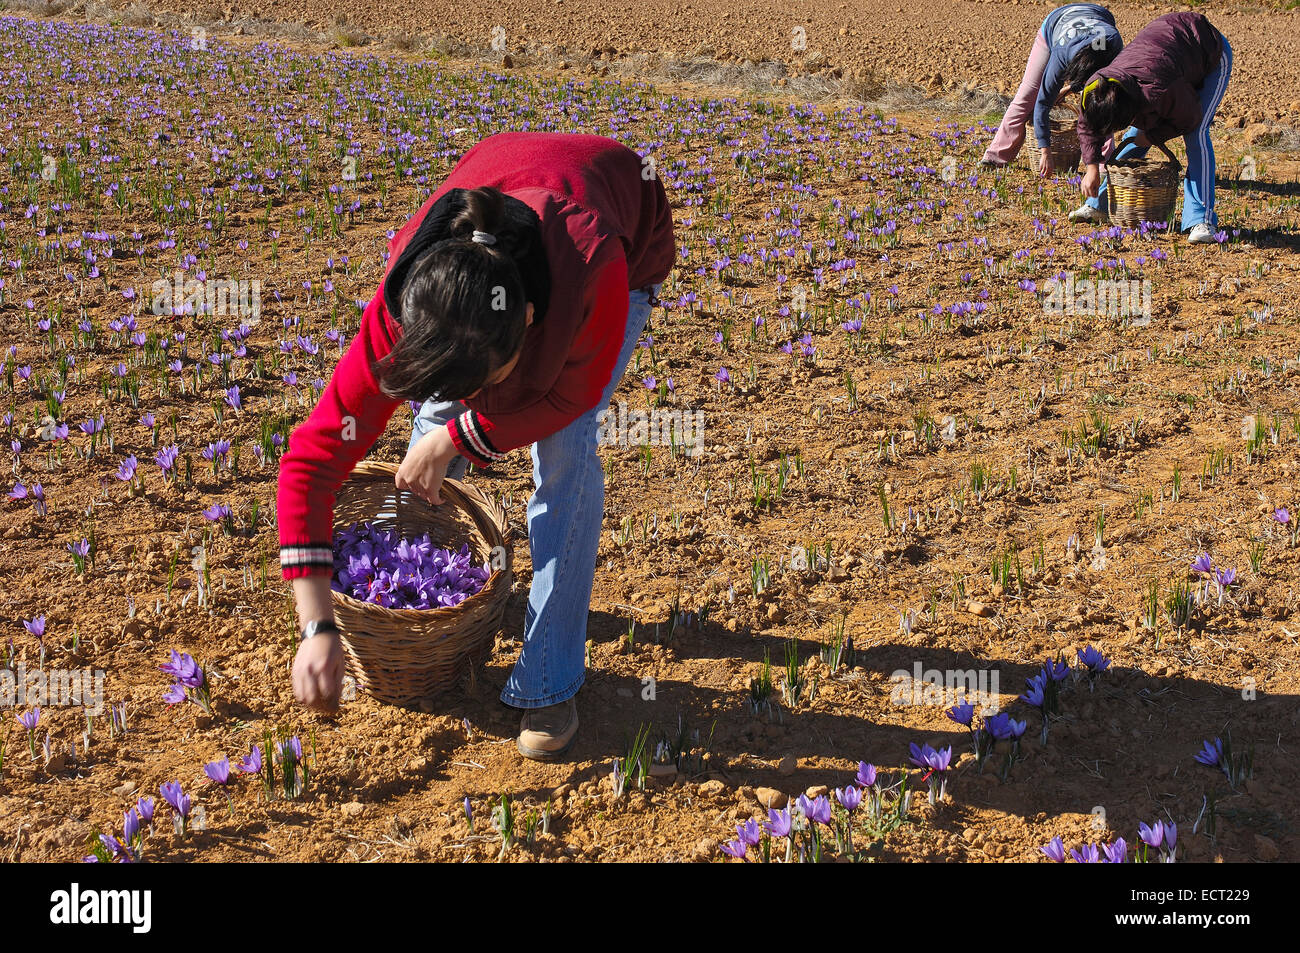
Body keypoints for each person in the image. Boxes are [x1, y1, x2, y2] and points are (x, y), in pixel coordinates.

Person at [278, 132, 675, 760]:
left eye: (486, 383)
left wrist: (461, 434)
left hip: (623, 234)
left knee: (566, 452)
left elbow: (571, 396)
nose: (474, 399)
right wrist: (317, 624)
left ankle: (550, 679)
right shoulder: (409, 303)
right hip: (501, 203)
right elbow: (311, 462)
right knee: (437, 415)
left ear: (527, 322)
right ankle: (420, 598)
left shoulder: (592, 267)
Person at [1069, 11, 1232, 244]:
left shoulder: (1159, 90)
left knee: (1196, 135)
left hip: (1207, 50)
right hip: (1169, 56)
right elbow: (1088, 127)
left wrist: (1154, 135)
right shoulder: (1096, 91)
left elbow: (1190, 118)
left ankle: (1201, 219)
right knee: (1136, 134)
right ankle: (1100, 203)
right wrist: (1092, 167)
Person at [980, 4, 1122, 174]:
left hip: (1098, 16)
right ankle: (995, 157)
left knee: (1102, 100)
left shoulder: (1114, 44)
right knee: (1028, 94)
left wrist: (1071, 88)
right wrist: (1045, 151)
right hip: (1056, 24)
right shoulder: (1062, 54)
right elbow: (1043, 102)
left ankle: (1104, 163)